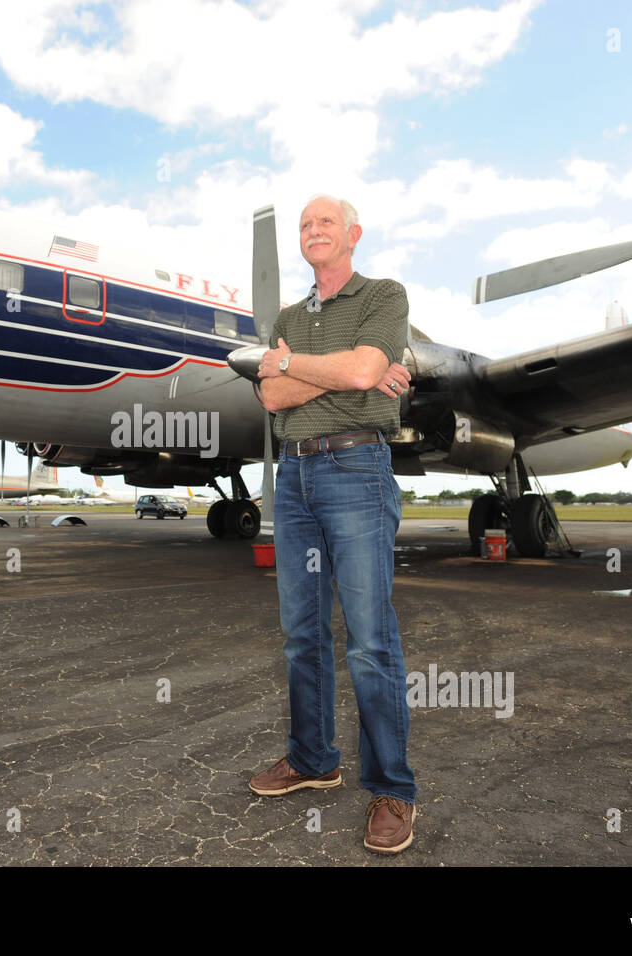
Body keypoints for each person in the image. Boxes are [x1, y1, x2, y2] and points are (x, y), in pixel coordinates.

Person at [249, 194, 417, 854]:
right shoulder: (290, 315)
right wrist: (344, 372)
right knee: (302, 633)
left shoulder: (383, 295)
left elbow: (362, 370)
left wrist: (303, 366)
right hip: (294, 479)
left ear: (353, 235)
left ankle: (393, 790)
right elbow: (272, 395)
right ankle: (313, 759)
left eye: (326, 223)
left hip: (356, 472)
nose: (314, 231)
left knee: (370, 638)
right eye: (305, 225)